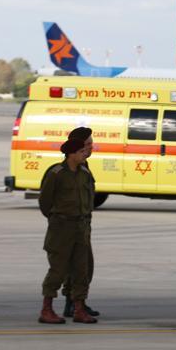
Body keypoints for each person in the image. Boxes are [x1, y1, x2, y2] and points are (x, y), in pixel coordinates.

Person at [37, 138, 97, 324]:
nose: (85, 154)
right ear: (71, 153)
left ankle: (79, 308)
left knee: (81, 270)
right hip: (62, 228)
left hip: (81, 228)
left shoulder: (84, 173)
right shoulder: (57, 174)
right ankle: (47, 309)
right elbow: (45, 202)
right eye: (81, 151)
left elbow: (89, 200)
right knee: (58, 270)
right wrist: (58, 219)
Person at [51, 127, 100, 319]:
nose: (91, 147)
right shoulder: (62, 171)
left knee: (85, 266)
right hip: (67, 226)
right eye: (88, 144)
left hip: (83, 225)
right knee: (71, 268)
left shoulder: (84, 167)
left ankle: (79, 303)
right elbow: (46, 202)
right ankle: (71, 304)